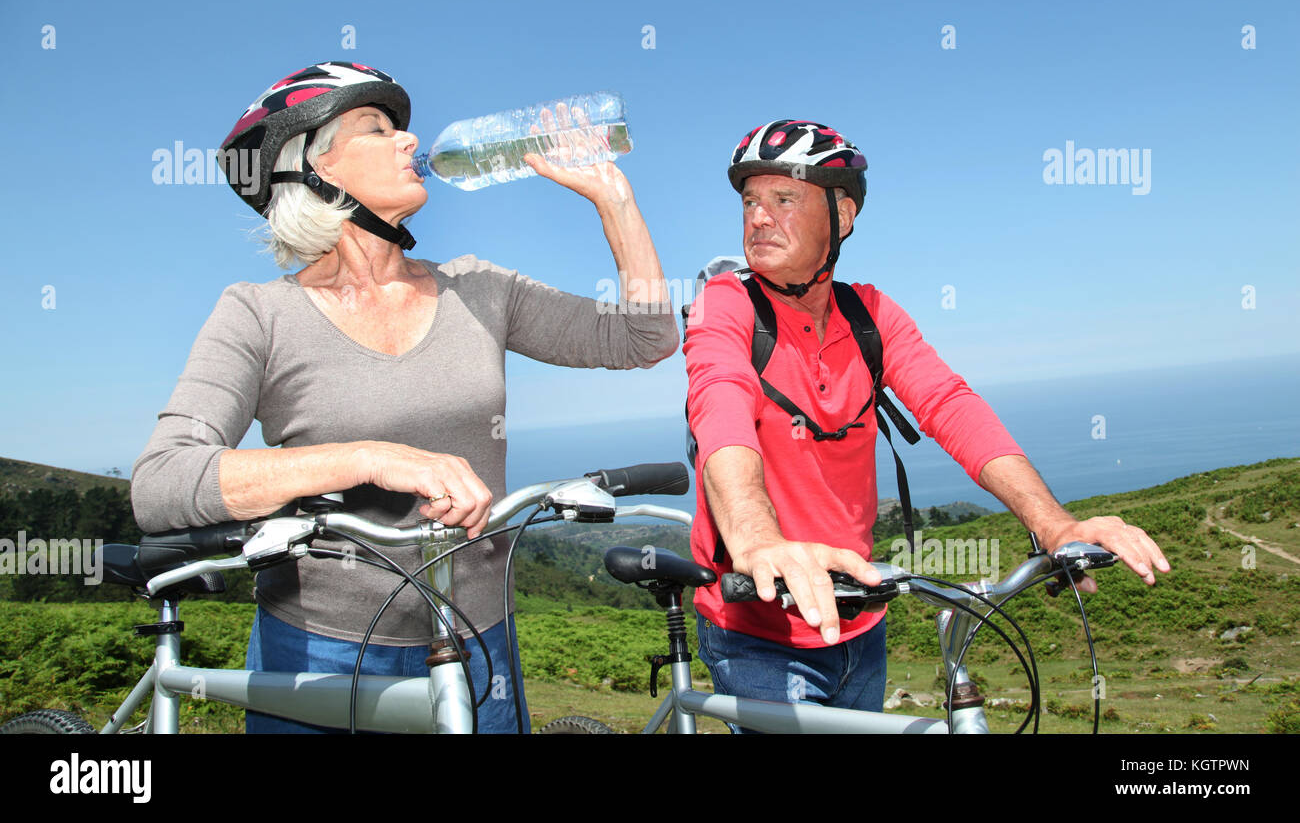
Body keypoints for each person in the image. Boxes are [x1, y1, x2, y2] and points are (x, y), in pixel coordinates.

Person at [131, 61, 677, 733]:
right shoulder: (259, 314)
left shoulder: (478, 290)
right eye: (377, 128)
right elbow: (163, 481)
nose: (410, 141)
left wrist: (612, 198)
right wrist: (368, 457)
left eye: (403, 128)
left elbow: (646, 337)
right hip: (314, 651)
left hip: (478, 644)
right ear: (313, 167)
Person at [684, 119, 1170, 722]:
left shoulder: (872, 314)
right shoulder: (724, 306)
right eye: (750, 200)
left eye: (784, 199)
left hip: (859, 619)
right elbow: (721, 411)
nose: (758, 217)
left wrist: (1052, 523)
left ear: (843, 216)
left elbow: (949, 405)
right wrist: (759, 541)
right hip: (757, 631)